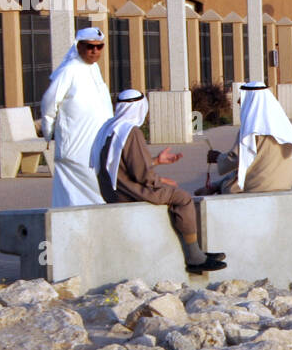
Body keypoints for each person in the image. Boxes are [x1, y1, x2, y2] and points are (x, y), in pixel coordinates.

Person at [91, 90, 226, 274]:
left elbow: (121, 163)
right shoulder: (131, 131)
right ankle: (195, 256)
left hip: (113, 191)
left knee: (171, 193)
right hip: (128, 192)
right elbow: (142, 174)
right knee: (182, 198)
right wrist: (160, 181)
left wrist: (156, 161)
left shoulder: (109, 127)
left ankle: (195, 252)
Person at [40, 27, 113, 207]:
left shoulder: (94, 69)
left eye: (99, 47)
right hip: (74, 146)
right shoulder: (69, 70)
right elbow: (49, 102)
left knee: (97, 188)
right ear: (78, 46)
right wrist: (48, 132)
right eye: (89, 46)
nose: (94, 51)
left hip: (95, 144)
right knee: (73, 194)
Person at [199, 82, 292, 195]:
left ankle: (215, 187)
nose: (239, 102)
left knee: (229, 188)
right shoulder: (285, 126)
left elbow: (236, 159)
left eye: (242, 98)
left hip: (260, 185)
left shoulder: (251, 129)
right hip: (286, 182)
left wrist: (217, 157)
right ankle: (215, 186)